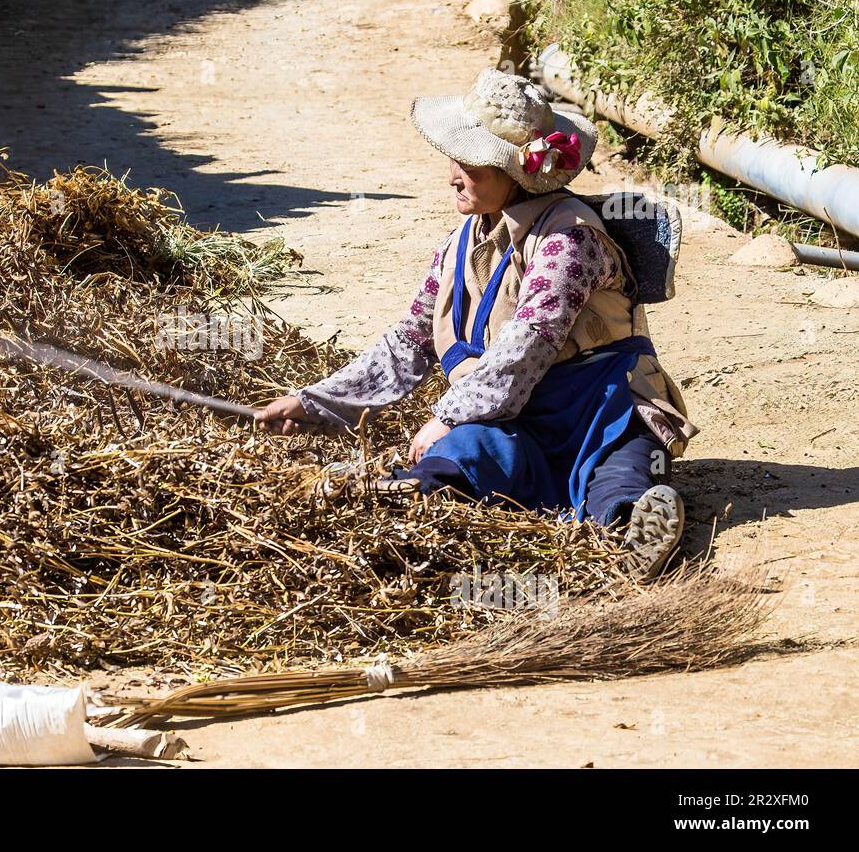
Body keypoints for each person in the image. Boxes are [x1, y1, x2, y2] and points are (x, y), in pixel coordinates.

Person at [256, 67, 697, 579]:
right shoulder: (460, 245)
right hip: (516, 421)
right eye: (456, 161)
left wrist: (448, 414)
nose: (453, 176)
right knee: (463, 454)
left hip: (601, 413)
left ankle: (628, 530)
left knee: (620, 474)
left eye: (473, 167)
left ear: (517, 176)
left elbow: (529, 344)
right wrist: (319, 402)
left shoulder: (569, 242)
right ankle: (403, 492)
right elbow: (410, 339)